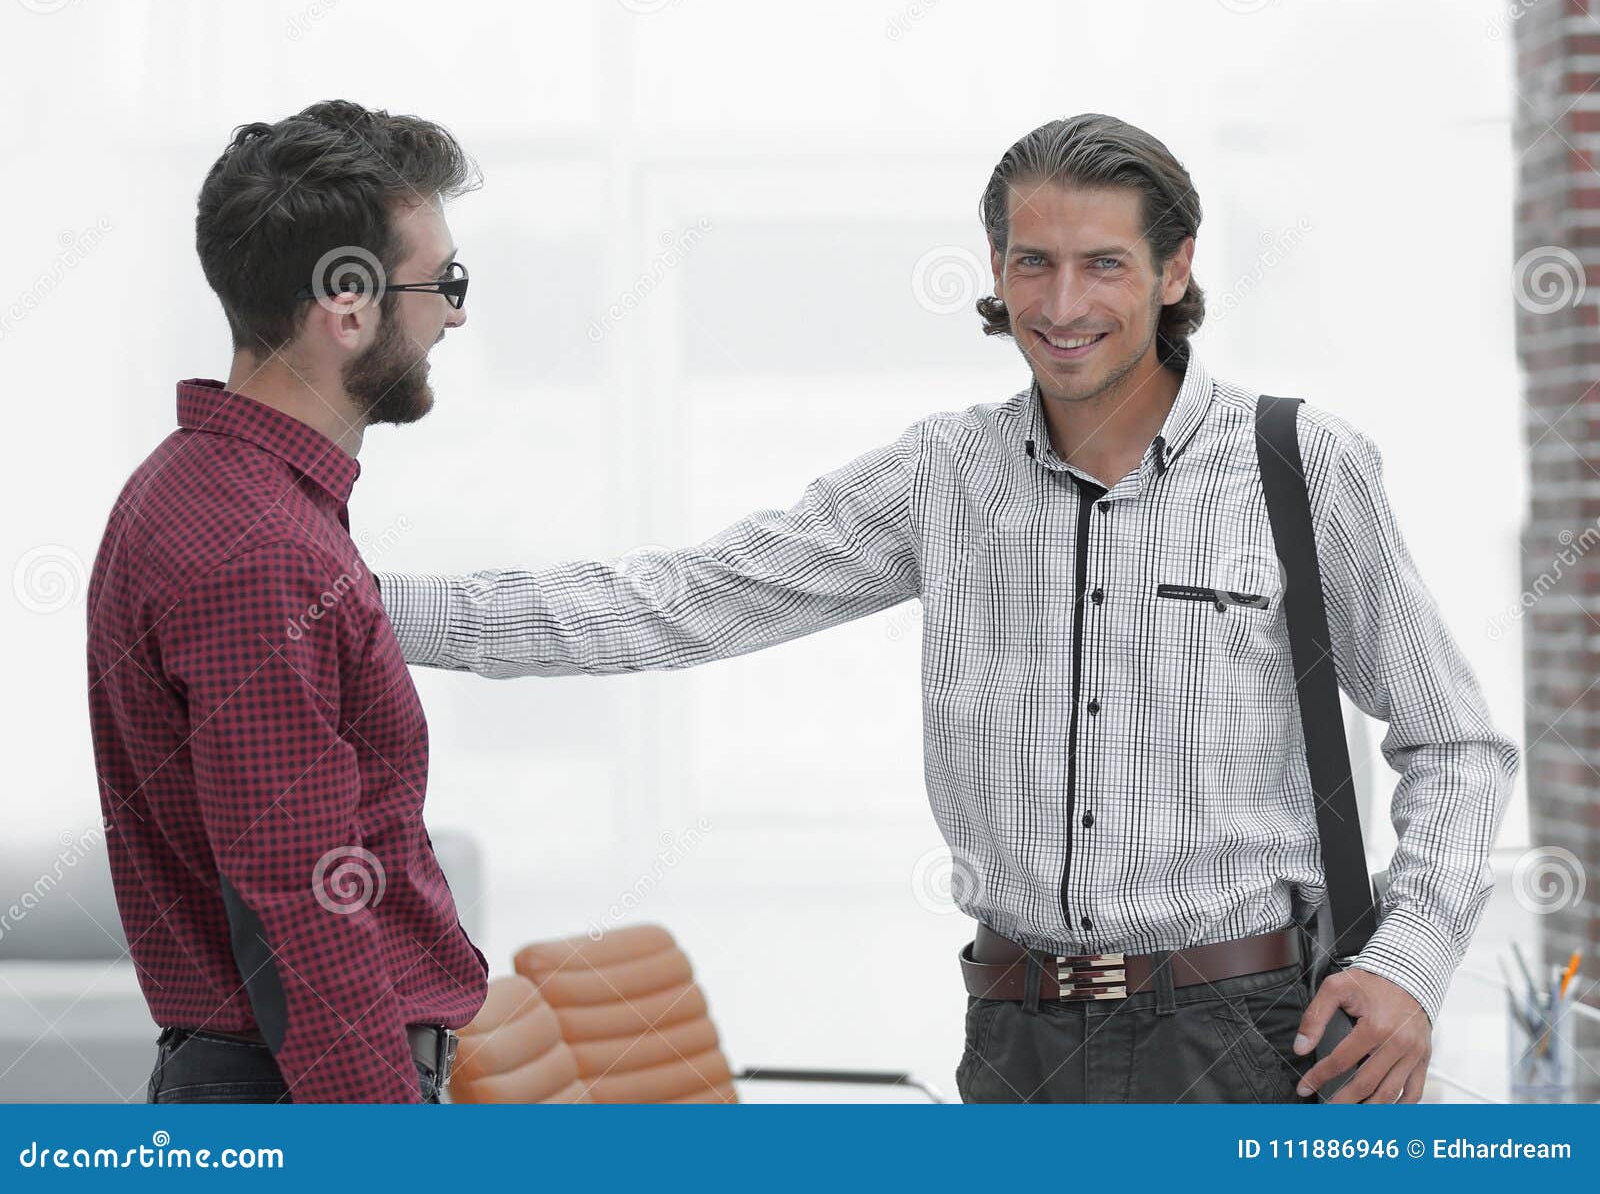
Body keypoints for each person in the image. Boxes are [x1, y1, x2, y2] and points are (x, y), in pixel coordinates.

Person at [379, 112, 1519, 1103]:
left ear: (1175, 269)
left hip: (1245, 1039)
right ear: (994, 264)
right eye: (1032, 262)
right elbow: (680, 602)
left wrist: (1409, 962)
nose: (1062, 305)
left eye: (1104, 264)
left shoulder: (1298, 464)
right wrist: (357, 602)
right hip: (1015, 1040)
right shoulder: (943, 478)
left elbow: (1456, 741)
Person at [86, 100, 487, 1104]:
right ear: (347, 305)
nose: (455, 313)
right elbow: (299, 902)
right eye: (444, 282)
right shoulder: (262, 552)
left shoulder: (209, 489)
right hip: (297, 1100)